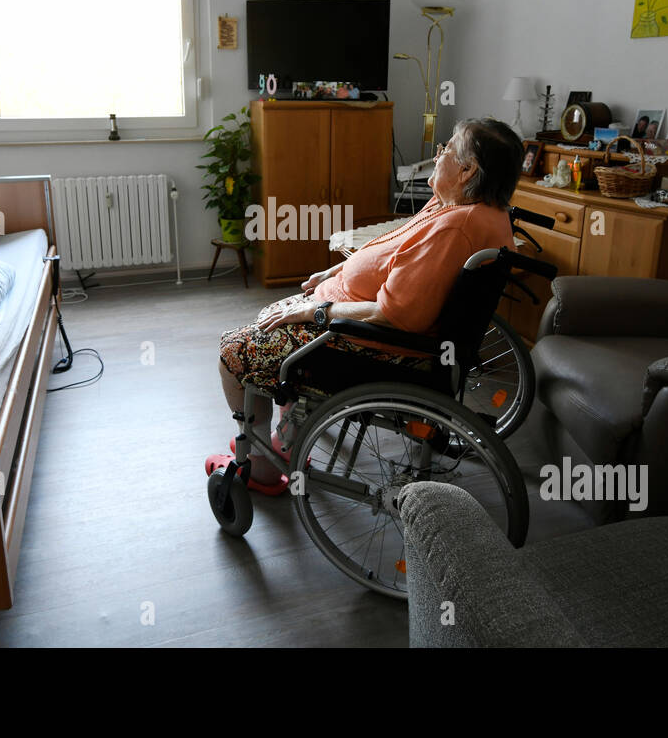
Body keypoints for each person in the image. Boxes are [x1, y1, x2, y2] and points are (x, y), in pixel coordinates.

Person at [210, 117, 521, 492]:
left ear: (468, 170)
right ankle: (286, 436)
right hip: (348, 313)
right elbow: (393, 249)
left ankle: (260, 465)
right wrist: (335, 272)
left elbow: (395, 313)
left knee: (234, 351)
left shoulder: (456, 227)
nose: (437, 155)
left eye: (447, 149)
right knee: (269, 322)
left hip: (365, 342)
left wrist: (314, 311)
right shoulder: (459, 208)